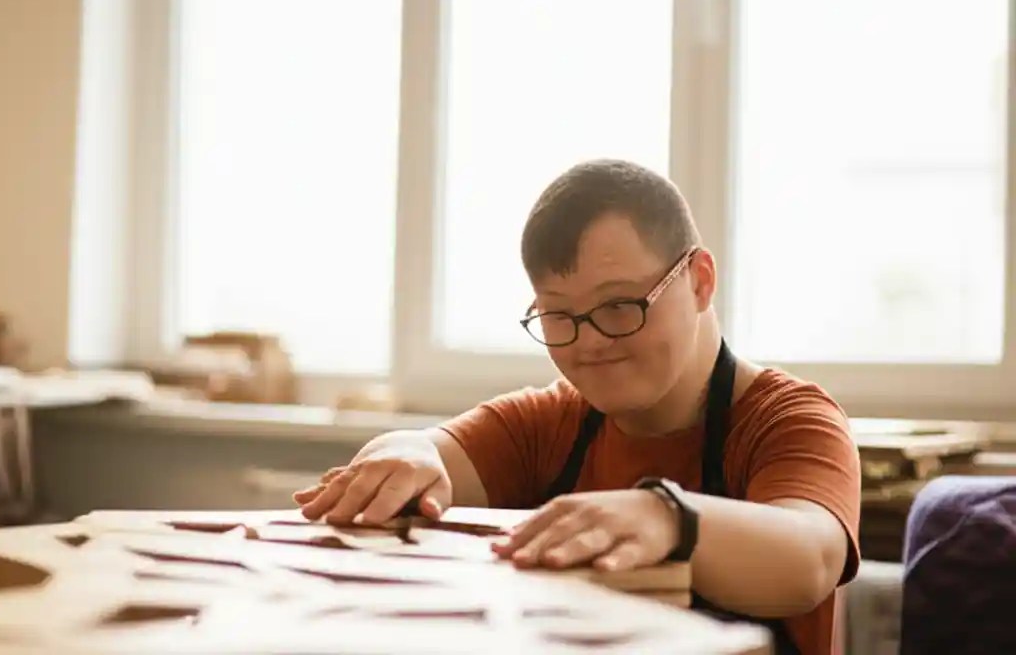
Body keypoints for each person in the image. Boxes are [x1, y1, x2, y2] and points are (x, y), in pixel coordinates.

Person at [294, 160, 861, 655]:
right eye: (559, 317)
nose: (589, 343)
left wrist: (668, 517)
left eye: (619, 306)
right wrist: (401, 454)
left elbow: (809, 560)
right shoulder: (551, 423)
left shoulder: (789, 420)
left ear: (699, 281)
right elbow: (429, 451)